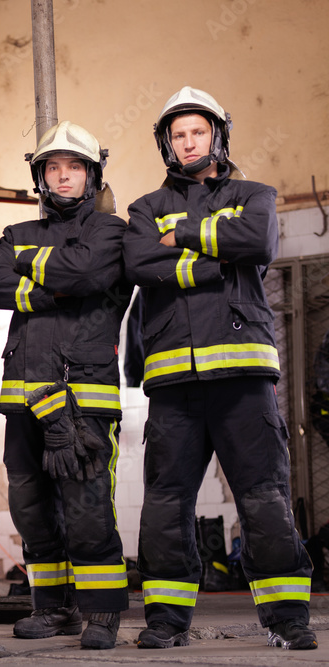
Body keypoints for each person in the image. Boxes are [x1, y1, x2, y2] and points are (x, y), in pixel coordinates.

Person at [123, 86, 317, 650]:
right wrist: (217, 260)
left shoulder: (255, 194)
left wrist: (182, 236)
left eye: (198, 132)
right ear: (167, 143)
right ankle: (166, 620)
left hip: (243, 378)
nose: (188, 143)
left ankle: (288, 620)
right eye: (178, 135)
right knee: (165, 502)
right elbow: (139, 262)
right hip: (174, 386)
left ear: (217, 136)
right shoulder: (143, 209)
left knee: (263, 495)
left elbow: (257, 240)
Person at [0, 121, 132, 649]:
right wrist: (55, 283)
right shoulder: (16, 233)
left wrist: (32, 270)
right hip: (23, 395)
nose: (62, 177)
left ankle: (102, 610)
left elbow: (89, 274)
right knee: (30, 505)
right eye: (52, 168)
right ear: (40, 177)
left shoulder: (111, 231)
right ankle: (54, 608)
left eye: (73, 168)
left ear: (91, 176)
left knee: (88, 505)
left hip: (82, 395)